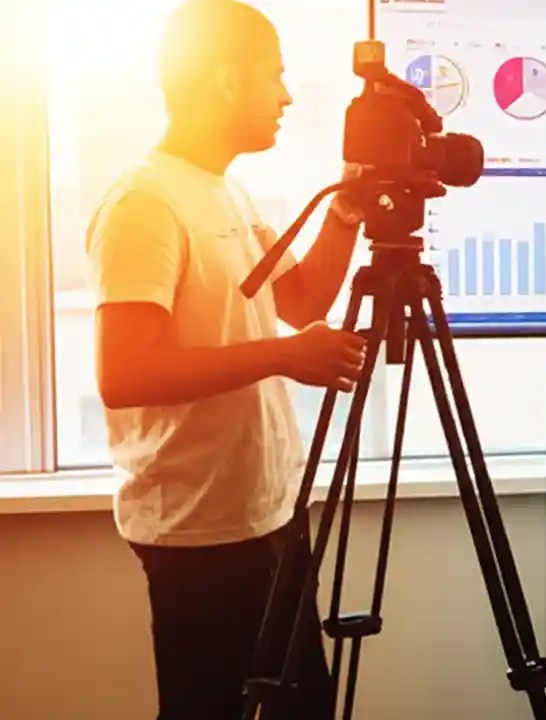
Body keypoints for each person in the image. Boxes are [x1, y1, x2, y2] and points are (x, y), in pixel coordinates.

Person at [85, 1, 367, 716]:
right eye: (273, 74)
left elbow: (301, 299)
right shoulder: (144, 204)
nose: (286, 95)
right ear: (223, 80)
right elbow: (125, 374)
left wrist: (346, 210)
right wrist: (282, 357)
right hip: (201, 537)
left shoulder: (226, 190)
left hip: (269, 515)